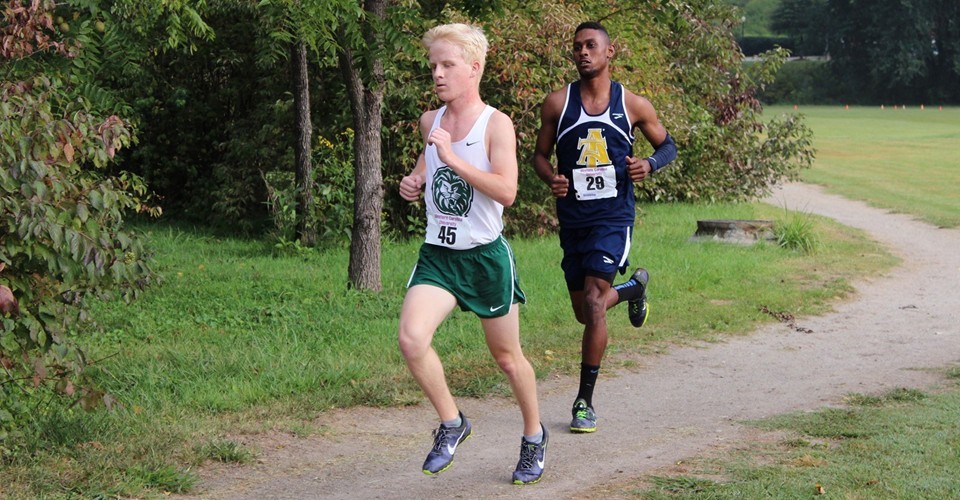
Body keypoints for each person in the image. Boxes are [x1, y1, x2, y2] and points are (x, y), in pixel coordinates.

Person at [397, 23, 547, 485]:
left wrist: (455, 160)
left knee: (507, 358)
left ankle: (533, 436)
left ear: (474, 69)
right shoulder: (431, 121)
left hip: (484, 258)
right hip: (439, 256)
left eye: (447, 65)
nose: (438, 75)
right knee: (411, 340)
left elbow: (507, 191)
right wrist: (414, 180)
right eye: (434, 66)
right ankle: (452, 422)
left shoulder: (495, 124)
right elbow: (428, 165)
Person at [532, 21, 677, 434]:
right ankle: (633, 288)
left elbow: (669, 145)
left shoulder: (632, 105)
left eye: (591, 46)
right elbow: (539, 156)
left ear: (609, 52)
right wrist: (551, 178)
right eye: (577, 46)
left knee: (596, 305)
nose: (582, 52)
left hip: (613, 218)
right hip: (574, 220)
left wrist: (648, 163)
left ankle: (584, 402)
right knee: (584, 312)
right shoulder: (557, 104)